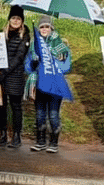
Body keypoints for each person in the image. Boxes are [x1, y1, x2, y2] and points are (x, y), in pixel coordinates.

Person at [25, 15, 72, 153]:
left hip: (55, 84)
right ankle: (40, 142)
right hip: (39, 83)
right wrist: (33, 64)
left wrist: (52, 62)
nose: (44, 29)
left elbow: (66, 66)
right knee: (39, 114)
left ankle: (54, 143)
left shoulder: (60, 44)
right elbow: (27, 66)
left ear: (51, 28)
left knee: (53, 114)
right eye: (41, 27)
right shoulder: (34, 45)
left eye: (47, 26)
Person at [0, 5, 30, 148]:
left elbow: (19, 57)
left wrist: (4, 73)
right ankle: (3, 134)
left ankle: (16, 136)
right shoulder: (0, 34)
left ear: (22, 21)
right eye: (13, 18)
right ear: (9, 19)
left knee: (16, 107)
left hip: (15, 77)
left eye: (18, 18)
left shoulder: (25, 36)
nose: (15, 21)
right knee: (1, 106)